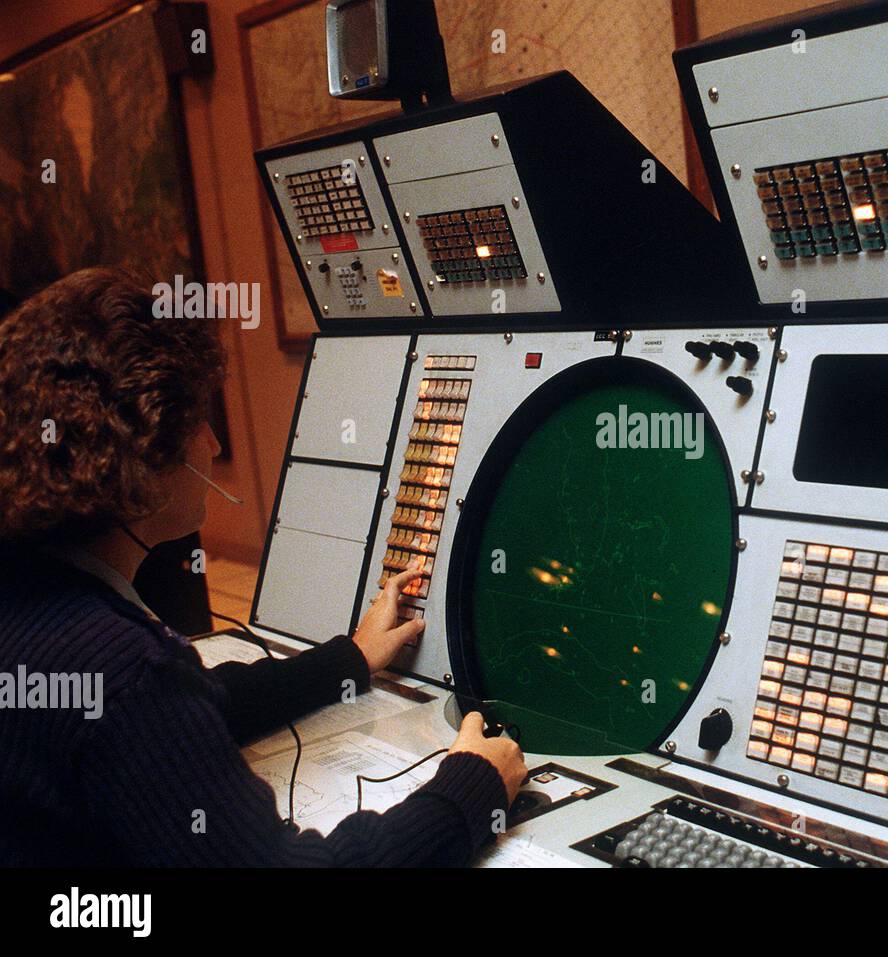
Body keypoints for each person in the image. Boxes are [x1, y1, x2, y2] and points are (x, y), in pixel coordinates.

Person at [0, 267, 526, 865]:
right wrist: (470, 789)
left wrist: (347, 660)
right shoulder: (125, 674)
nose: (215, 446)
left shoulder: (34, 597)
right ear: (142, 461)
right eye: (200, 421)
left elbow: (184, 716)